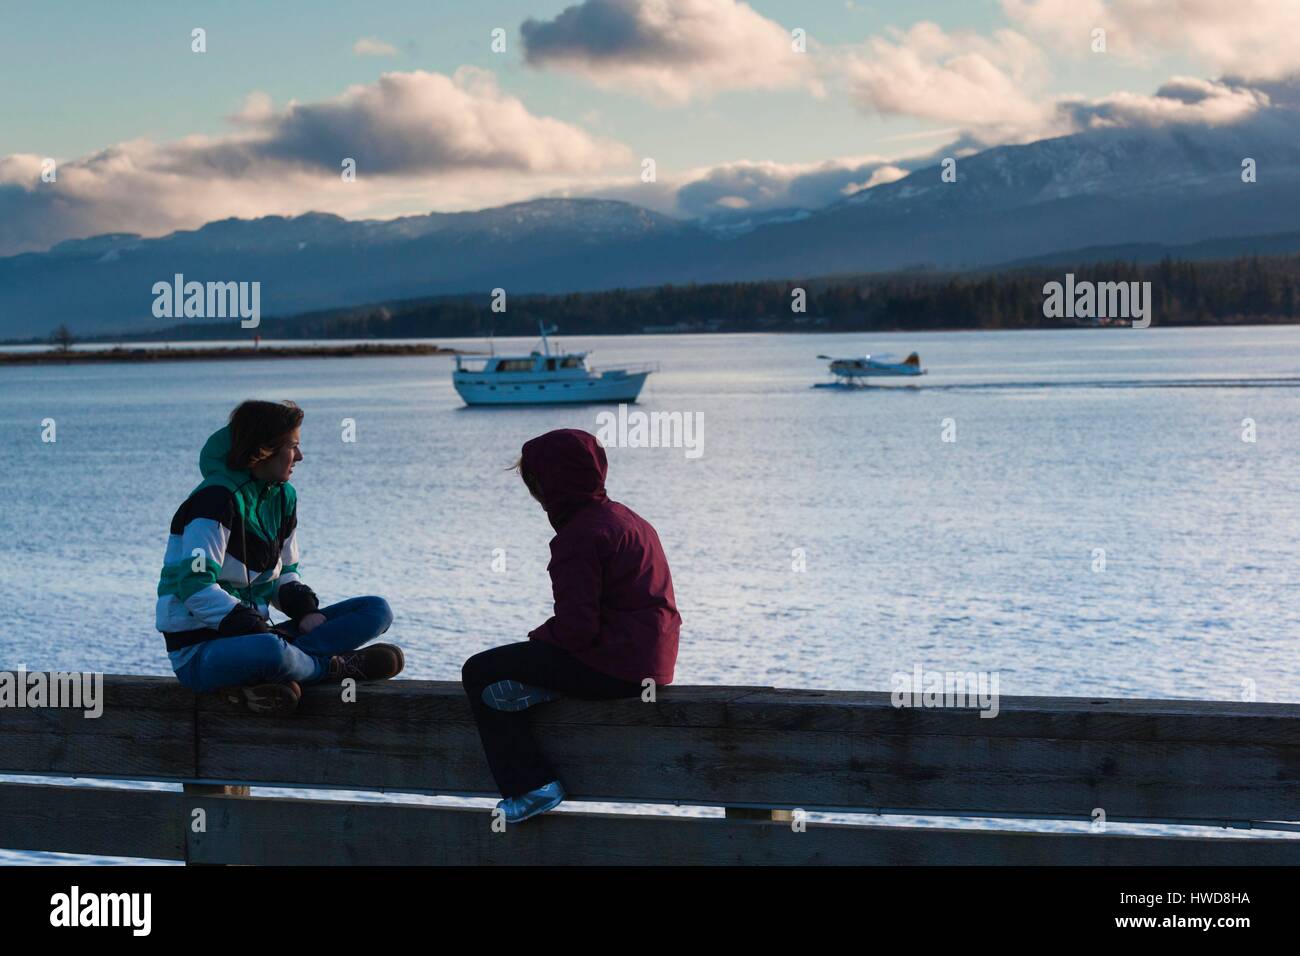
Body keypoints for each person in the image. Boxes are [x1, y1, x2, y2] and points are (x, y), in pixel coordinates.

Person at [461, 428, 681, 823]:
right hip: (652, 664)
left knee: (479, 671)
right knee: (513, 675)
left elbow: (576, 630)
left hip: (616, 667)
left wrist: (538, 641)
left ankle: (532, 787)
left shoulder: (579, 536)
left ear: (547, 484)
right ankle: (540, 690)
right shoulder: (627, 519)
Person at [156, 400, 402, 715]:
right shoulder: (214, 501)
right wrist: (257, 628)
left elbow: (284, 573)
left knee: (376, 609)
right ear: (264, 449)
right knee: (272, 651)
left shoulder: (282, 496)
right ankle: (333, 668)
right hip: (202, 651)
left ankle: (289, 671)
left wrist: (304, 611)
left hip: (262, 632)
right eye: (293, 447)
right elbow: (194, 586)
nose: (299, 456)